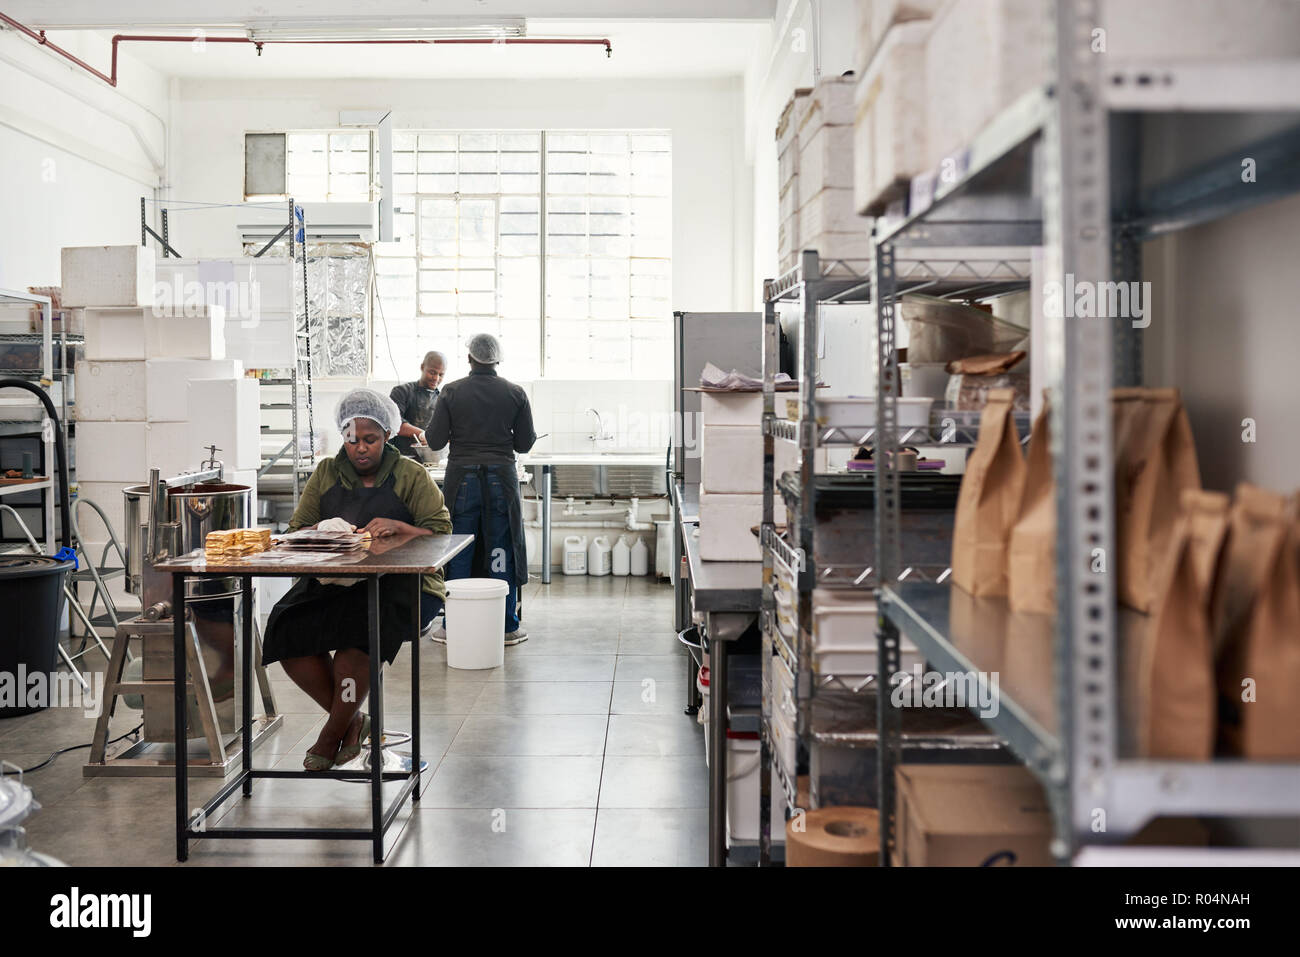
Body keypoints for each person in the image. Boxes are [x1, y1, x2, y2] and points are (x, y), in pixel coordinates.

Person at [261, 387, 452, 770]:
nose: (361, 448)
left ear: (386, 436)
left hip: (403, 586)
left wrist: (400, 527)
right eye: (353, 440)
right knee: (286, 628)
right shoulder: (328, 473)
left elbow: (442, 531)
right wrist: (326, 530)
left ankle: (331, 734)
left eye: (370, 439)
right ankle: (353, 721)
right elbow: (298, 528)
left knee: (357, 637)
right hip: (335, 581)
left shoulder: (410, 475)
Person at [426, 333, 535, 645]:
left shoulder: (450, 391)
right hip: (501, 477)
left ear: (470, 358)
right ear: (497, 360)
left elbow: (434, 441)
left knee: (459, 547)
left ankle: (453, 624)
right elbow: (524, 443)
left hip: (462, 480)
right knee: (501, 548)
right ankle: (507, 625)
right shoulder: (515, 393)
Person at [389, 351, 446, 459]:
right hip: (402, 458)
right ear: (422, 367)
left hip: (431, 459)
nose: (436, 378)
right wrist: (423, 434)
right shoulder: (402, 392)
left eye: (441, 375)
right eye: (432, 372)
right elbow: (395, 423)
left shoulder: (442, 398)